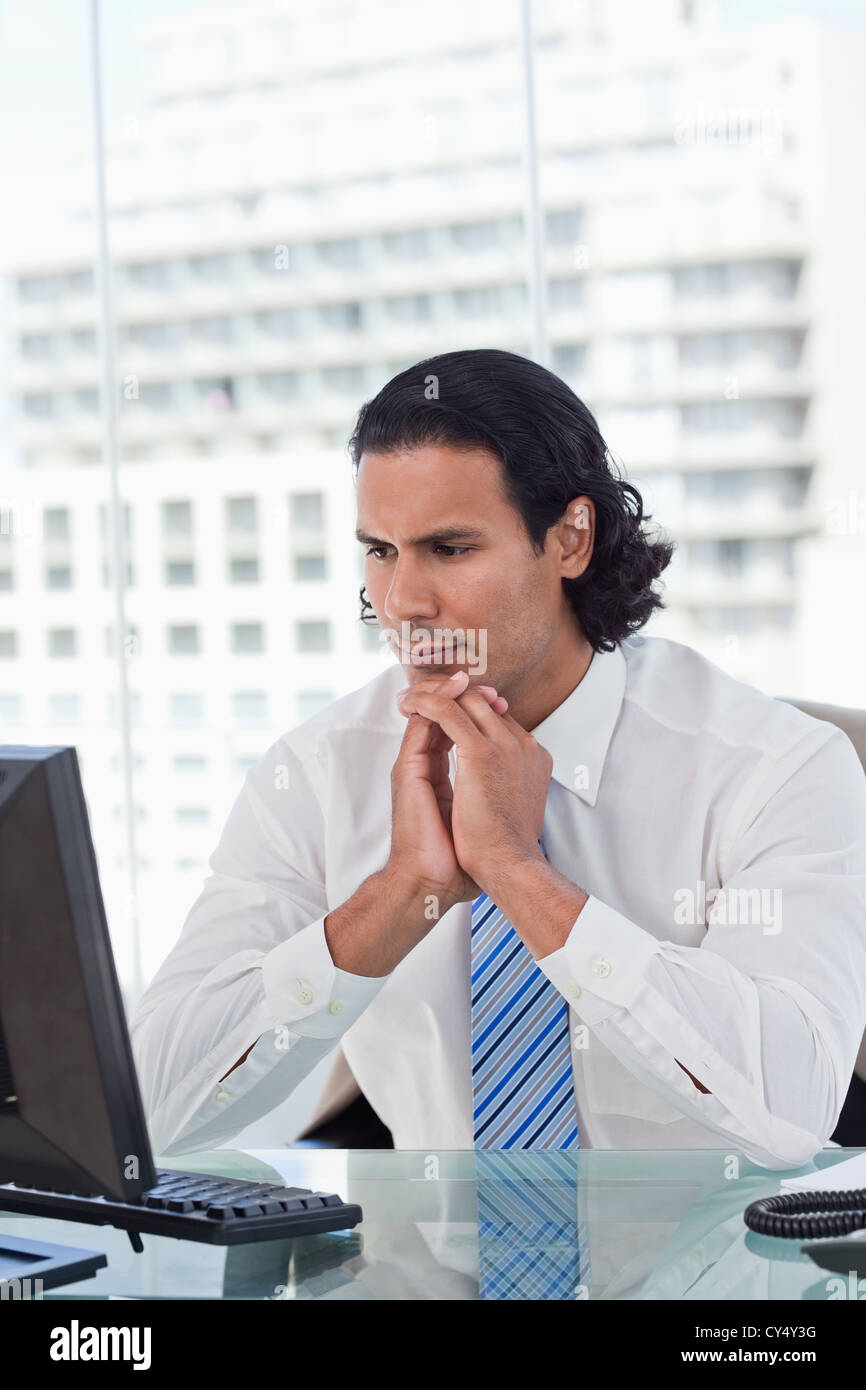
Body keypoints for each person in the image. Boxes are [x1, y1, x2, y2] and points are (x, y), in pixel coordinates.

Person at [130, 348, 866, 1170]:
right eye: (380, 550)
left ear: (571, 539)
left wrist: (519, 874)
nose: (404, 600)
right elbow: (154, 1116)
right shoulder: (314, 774)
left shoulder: (777, 767)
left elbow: (793, 1108)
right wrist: (403, 893)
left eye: (450, 549)